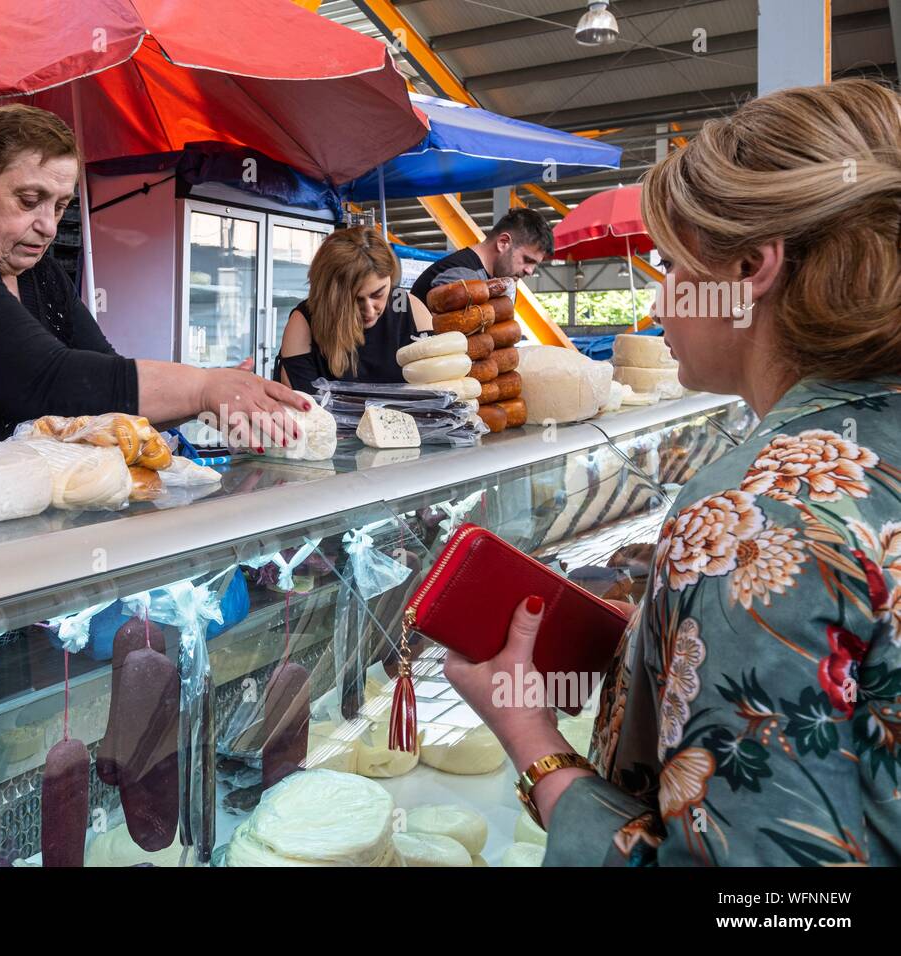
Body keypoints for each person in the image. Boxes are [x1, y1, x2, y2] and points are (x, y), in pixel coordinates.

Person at [443, 78, 901, 865]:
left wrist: (528, 732)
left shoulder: (753, 524)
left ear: (752, 265)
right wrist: (655, 654)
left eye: (668, 262)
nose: (656, 304)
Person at [0, 105, 307, 443]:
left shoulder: (44, 275)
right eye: (29, 201)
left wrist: (214, 395)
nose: (49, 227)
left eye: (60, 206)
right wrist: (200, 387)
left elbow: (103, 386)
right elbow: (39, 380)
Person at [273, 227, 433, 391]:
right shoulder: (303, 323)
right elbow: (304, 408)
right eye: (354, 300)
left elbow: (438, 387)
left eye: (378, 294)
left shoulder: (411, 309)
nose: (369, 310)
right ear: (329, 297)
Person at [408, 206, 552, 307]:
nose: (530, 271)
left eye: (535, 265)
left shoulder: (503, 282)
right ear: (503, 243)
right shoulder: (462, 276)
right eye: (527, 260)